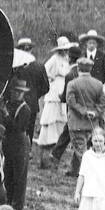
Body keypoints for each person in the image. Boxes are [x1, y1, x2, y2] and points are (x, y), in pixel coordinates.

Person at [54, 58, 105, 177]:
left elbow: (70, 102)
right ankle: (75, 170)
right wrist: (94, 113)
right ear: (90, 69)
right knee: (84, 147)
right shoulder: (98, 84)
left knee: (80, 150)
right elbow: (102, 104)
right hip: (93, 123)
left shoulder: (72, 83)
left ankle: (89, 174)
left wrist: (84, 111)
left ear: (78, 68)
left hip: (76, 123)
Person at [36, 36, 73, 168]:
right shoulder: (54, 59)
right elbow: (44, 70)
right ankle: (47, 146)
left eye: (67, 49)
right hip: (55, 86)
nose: (65, 51)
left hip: (64, 85)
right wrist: (50, 79)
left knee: (62, 116)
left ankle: (57, 149)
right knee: (52, 114)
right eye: (63, 49)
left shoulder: (66, 59)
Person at [0, 82, 32, 210]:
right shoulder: (7, 105)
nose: (17, 94)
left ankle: (17, 208)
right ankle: (9, 202)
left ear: (23, 93)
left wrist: (6, 114)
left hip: (20, 144)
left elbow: (18, 128)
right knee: (8, 175)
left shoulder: (25, 109)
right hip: (8, 143)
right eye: (15, 91)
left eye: (20, 92)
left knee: (19, 177)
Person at [12, 38, 49, 139]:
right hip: (32, 104)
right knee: (29, 134)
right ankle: (26, 153)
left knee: (14, 132)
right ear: (31, 50)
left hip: (15, 104)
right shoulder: (39, 66)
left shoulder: (15, 65)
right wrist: (35, 95)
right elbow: (45, 87)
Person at [79, 29, 105, 99]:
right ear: (86, 43)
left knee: (98, 108)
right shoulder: (82, 55)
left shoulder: (103, 56)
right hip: (85, 88)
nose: (92, 45)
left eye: (94, 43)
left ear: (97, 44)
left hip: (99, 88)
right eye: (90, 43)